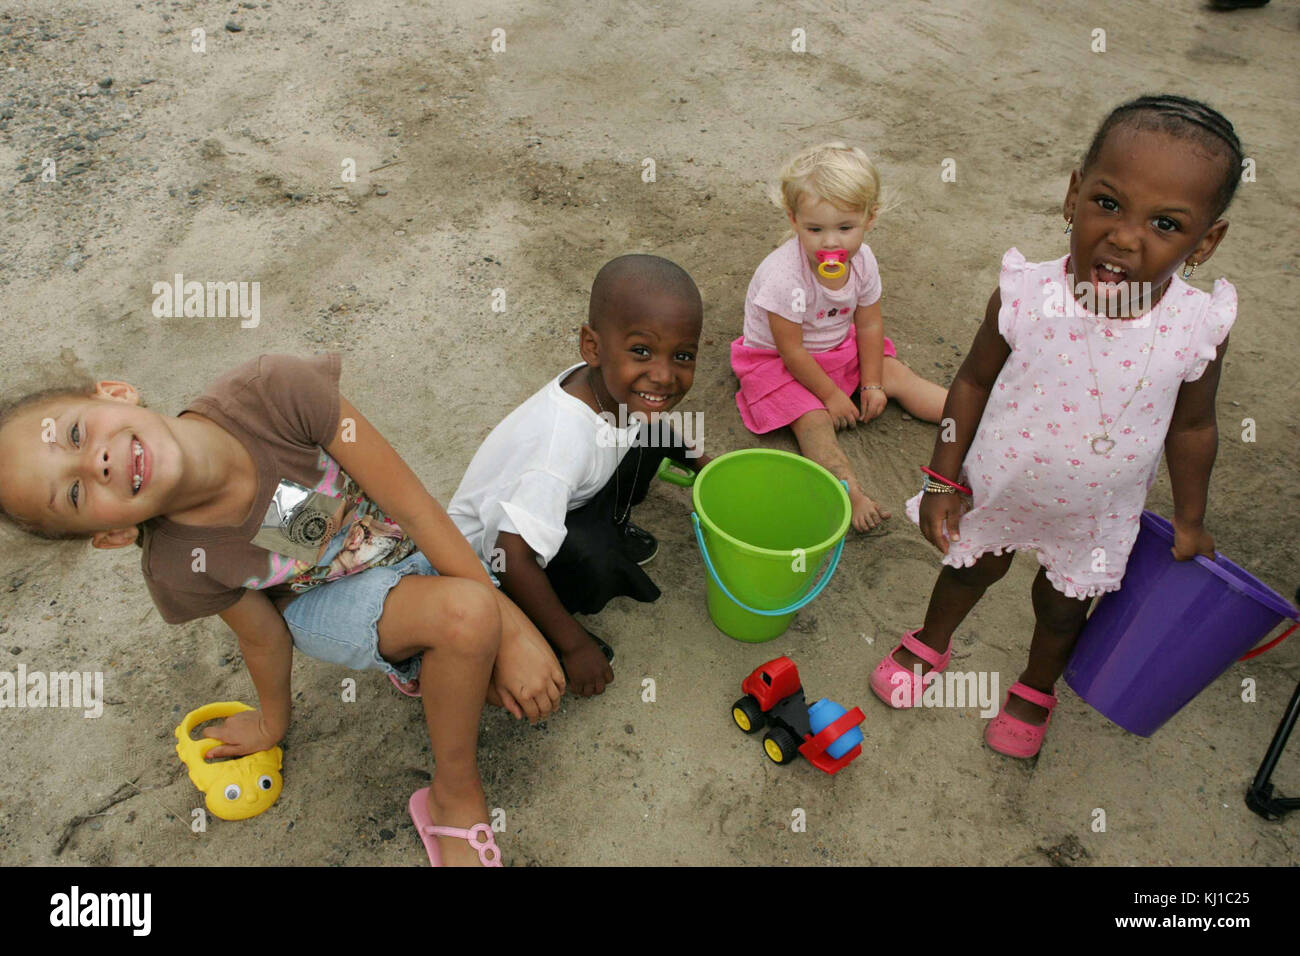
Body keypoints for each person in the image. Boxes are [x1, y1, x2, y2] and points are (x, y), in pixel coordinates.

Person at [0, 353, 565, 865]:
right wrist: (273, 720)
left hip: (402, 543)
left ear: (116, 392)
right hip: (320, 602)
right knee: (469, 620)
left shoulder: (274, 392)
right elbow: (263, 635)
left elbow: (414, 510)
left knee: (509, 674)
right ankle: (452, 792)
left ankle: (422, 658)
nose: (93, 464)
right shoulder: (179, 563)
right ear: (114, 534)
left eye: (75, 434)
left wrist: (513, 629)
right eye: (74, 494)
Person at [872, 95, 1242, 758]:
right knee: (968, 571)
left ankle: (1035, 686)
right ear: (1073, 195)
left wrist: (1191, 518)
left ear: (1205, 242)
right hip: (997, 485)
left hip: (1094, 515)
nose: (1125, 237)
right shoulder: (1025, 296)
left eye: (1164, 222)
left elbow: (1192, 429)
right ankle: (932, 640)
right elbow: (972, 383)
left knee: (1064, 606)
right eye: (1107, 202)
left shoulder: (1195, 330)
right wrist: (940, 478)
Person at [449, 255, 710, 697]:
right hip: (489, 562)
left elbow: (654, 429)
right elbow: (508, 553)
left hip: (554, 506)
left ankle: (609, 529)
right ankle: (541, 630)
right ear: (592, 346)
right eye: (641, 351)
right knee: (594, 558)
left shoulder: (609, 386)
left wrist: (707, 465)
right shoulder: (559, 448)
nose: (665, 375)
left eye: (682, 355)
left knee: (650, 436)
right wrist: (574, 646)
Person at [731, 142, 947, 532]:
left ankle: (973, 415)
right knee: (812, 419)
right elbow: (791, 350)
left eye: (845, 228)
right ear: (793, 220)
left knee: (896, 374)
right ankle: (849, 491)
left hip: (835, 347)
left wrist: (873, 381)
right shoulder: (785, 276)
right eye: (815, 229)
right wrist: (831, 396)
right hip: (779, 363)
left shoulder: (863, 261)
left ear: (870, 218)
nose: (831, 243)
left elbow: (868, 324)